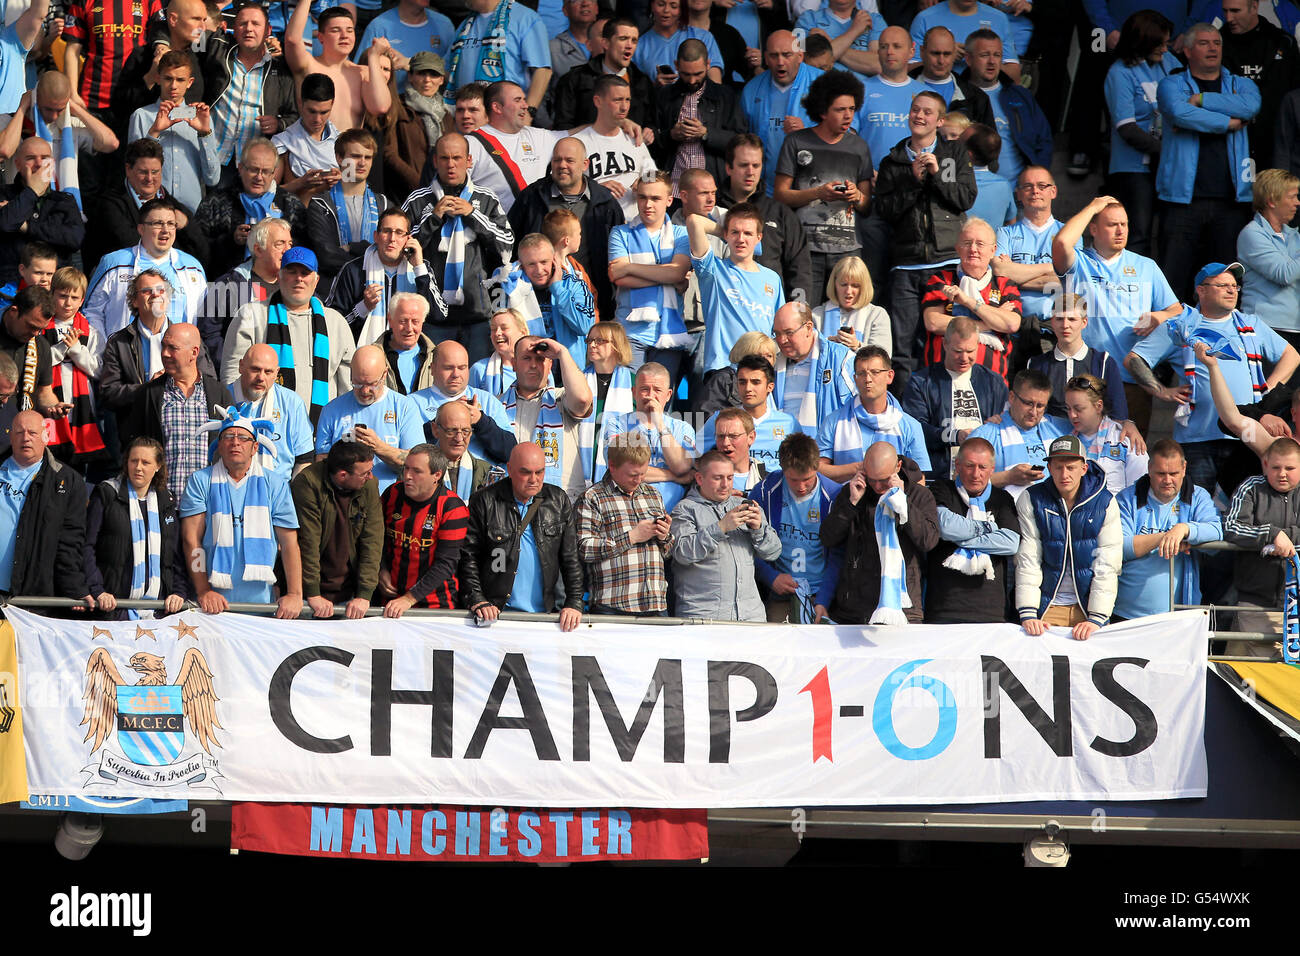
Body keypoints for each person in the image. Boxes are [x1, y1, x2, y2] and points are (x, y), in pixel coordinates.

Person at [1128, 261, 1298, 493]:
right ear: (1201, 290)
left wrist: (1268, 390)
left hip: (1246, 438)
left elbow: (1291, 355)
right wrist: (1161, 390)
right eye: (1223, 285)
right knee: (1198, 509)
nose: (1231, 290)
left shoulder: (1251, 324)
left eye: (1234, 286)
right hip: (1197, 439)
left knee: (1245, 509)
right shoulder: (1179, 327)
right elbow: (1135, 359)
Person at [1052, 194, 1182, 434]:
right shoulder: (1079, 263)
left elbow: (1177, 310)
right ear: (1093, 228)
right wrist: (1092, 206)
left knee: (1131, 457)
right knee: (1081, 454)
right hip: (1086, 379)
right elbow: (1061, 243)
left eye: (1124, 224)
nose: (1121, 230)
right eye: (1112, 224)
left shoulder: (1146, 266)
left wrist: (1158, 317)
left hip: (1133, 380)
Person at [875, 90, 977, 395]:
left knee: (942, 340)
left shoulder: (955, 153)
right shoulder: (892, 161)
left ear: (940, 120)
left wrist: (935, 176)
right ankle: (908, 410)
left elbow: (965, 198)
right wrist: (912, 181)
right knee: (902, 344)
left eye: (927, 112)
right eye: (915, 110)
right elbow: (884, 211)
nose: (919, 116)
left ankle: (942, 403)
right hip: (905, 264)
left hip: (945, 261)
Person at [1155, 22, 1260, 300]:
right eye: (1204, 43)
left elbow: (1250, 106)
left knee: (1225, 285)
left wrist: (1201, 99)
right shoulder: (1171, 83)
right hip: (1182, 201)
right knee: (1173, 280)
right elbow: (1179, 114)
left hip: (1231, 201)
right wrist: (1229, 122)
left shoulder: (1241, 84)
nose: (1213, 48)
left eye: (1217, 43)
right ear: (1187, 50)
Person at [181, 406, 303, 617]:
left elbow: (289, 543)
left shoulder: (275, 484)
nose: (235, 442)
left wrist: (294, 594)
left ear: (255, 447)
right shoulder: (200, 480)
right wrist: (203, 591)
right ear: (219, 445)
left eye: (243, 438)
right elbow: (192, 541)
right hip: (212, 607)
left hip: (262, 606)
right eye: (228, 436)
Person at [403, 132, 512, 357]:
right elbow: (402, 248)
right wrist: (433, 218)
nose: (451, 164)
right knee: (433, 381)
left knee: (476, 383)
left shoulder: (487, 199)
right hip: (432, 316)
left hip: (478, 315)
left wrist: (474, 215)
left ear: (469, 161)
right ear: (435, 161)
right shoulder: (417, 200)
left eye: (457, 158)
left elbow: (507, 245)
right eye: (444, 158)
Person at [221, 247, 355, 425]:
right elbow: (231, 377)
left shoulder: (336, 323)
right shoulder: (250, 315)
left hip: (320, 432)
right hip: (259, 429)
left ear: (316, 280)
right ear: (279, 276)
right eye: (291, 272)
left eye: (305, 273)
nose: (298, 278)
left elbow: (348, 388)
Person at [459, 441, 584, 629]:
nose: (533, 479)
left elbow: (571, 559)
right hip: (495, 615)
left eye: (540, 472)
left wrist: (574, 603)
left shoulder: (558, 499)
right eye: (525, 472)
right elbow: (468, 556)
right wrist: (477, 598)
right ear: (509, 469)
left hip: (547, 618)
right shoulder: (485, 500)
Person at [774, 69, 873, 300]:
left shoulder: (859, 147)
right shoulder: (796, 142)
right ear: (822, 111)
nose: (848, 116)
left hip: (848, 250)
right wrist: (817, 193)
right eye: (840, 110)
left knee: (844, 317)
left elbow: (868, 205)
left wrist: (856, 196)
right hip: (805, 249)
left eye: (851, 108)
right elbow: (780, 194)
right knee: (803, 313)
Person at [820, 440, 939, 624]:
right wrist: (851, 504)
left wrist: (904, 505)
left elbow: (928, 541)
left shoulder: (919, 495)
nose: (876, 486)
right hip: (854, 608)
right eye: (871, 478)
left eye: (883, 479)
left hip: (903, 609)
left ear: (898, 466)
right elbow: (828, 538)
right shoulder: (852, 492)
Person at [1016, 434, 1122, 640]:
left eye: (1071, 467)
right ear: (1049, 468)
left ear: (1083, 468)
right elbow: (1029, 557)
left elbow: (1108, 562)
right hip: (1045, 608)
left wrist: (1096, 617)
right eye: (1058, 467)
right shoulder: (1031, 498)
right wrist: (1028, 611)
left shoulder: (1105, 503)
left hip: (1087, 610)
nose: (1064, 474)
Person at [507, 137, 623, 321]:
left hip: (589, 302)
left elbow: (618, 255)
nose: (562, 165)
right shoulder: (531, 197)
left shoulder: (606, 203)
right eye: (557, 160)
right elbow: (509, 244)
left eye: (569, 160)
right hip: (537, 303)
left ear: (585, 164)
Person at [1114, 438, 1222, 622]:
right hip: (1124, 613)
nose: (1167, 480)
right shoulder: (1126, 498)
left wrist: (1184, 529)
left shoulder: (1198, 496)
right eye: (1160, 473)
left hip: (1178, 616)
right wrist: (1166, 537)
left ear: (1185, 468)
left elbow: (1217, 534)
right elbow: (1119, 547)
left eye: (1173, 473)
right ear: (1149, 468)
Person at [669, 449, 781, 621]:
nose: (725, 485)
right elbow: (682, 554)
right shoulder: (684, 509)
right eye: (717, 478)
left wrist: (758, 529)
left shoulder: (745, 505)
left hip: (750, 617)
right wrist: (720, 528)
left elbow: (773, 553)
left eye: (729, 478)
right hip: (704, 617)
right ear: (699, 479)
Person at [1103, 11, 1180, 256]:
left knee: (1172, 234)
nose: (1166, 49)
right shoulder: (1120, 72)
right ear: (1143, 41)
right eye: (1161, 43)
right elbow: (1126, 128)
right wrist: (1169, 151)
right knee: (1137, 237)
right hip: (1133, 169)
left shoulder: (1168, 63)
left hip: (1167, 166)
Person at [82, 196, 207, 347]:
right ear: (141, 229)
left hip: (175, 362)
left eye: (171, 224)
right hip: (124, 361)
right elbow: (92, 312)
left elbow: (204, 319)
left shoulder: (192, 267)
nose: (165, 230)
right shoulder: (113, 262)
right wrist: (104, 349)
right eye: (158, 224)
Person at [85, 436, 186, 618]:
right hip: (113, 609)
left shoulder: (167, 501)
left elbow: (176, 556)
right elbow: (86, 546)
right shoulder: (107, 493)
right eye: (134, 461)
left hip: (158, 613)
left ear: (158, 467)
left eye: (145, 462)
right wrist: (98, 589)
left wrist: (178, 592)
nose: (138, 467)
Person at [902, 316, 1010, 481]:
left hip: (985, 476)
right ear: (944, 344)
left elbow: (1009, 426)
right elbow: (915, 430)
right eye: (958, 351)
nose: (964, 358)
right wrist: (955, 436)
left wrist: (997, 425)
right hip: (939, 475)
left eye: (970, 351)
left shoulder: (994, 382)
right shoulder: (921, 382)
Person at [749, 432, 842, 623]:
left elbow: (838, 554)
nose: (801, 487)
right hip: (779, 593)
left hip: (821, 594)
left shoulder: (833, 496)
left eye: (807, 479)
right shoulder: (765, 491)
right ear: (782, 469)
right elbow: (749, 545)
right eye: (793, 479)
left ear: (817, 467)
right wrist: (771, 577)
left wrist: (824, 599)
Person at [0, 409, 91, 604]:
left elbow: (70, 540)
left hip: (31, 596)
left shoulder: (67, 481)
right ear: (10, 436)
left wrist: (73, 587)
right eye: (19, 432)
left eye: (32, 433)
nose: (25, 438)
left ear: (46, 436)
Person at [576, 434, 673, 616]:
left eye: (643, 474)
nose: (638, 480)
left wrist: (664, 536)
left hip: (655, 603)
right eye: (632, 475)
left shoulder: (653, 495)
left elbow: (667, 552)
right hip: (613, 606)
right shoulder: (592, 497)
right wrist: (631, 537)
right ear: (612, 466)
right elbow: (584, 549)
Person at [926, 435, 1019, 624]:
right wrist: (988, 527)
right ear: (957, 465)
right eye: (969, 466)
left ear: (992, 469)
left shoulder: (1003, 499)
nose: (976, 474)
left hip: (992, 612)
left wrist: (959, 537)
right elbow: (945, 527)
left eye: (983, 467)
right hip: (944, 609)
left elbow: (1011, 543)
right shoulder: (941, 489)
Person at [689, 202, 786, 379]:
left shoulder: (772, 279)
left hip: (760, 374)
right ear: (726, 234)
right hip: (723, 371)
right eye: (735, 232)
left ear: (759, 237)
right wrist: (724, 233)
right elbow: (694, 221)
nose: (740, 239)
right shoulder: (713, 271)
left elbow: (780, 329)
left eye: (748, 233)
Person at [1223, 436, 1300, 655]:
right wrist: (1270, 534)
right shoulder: (1251, 488)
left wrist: (1285, 539)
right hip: (1255, 600)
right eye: (1276, 467)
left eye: (1290, 468)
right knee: (1267, 667)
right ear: (1265, 465)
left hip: (1296, 603)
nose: (1282, 473)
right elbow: (1231, 526)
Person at [920, 217, 1022, 382]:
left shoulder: (1004, 284)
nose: (973, 249)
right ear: (957, 249)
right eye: (967, 243)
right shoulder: (942, 280)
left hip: (991, 382)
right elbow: (933, 322)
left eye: (980, 244)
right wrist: (991, 322)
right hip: (941, 380)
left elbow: (1011, 324)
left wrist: (968, 302)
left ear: (993, 250)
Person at [291, 439, 383, 620]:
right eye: (365, 473)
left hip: (350, 593)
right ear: (342, 475)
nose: (371, 477)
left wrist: (364, 595)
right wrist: (313, 593)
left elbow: (373, 539)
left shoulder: (369, 485)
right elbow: (309, 541)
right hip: (310, 593)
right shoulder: (308, 482)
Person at [326, 207, 445, 346]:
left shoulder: (421, 269)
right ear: (376, 236)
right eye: (387, 231)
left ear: (408, 238)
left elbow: (439, 315)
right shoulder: (353, 270)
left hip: (410, 357)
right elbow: (333, 325)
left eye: (399, 233)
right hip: (364, 358)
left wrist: (419, 268)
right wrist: (363, 307)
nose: (392, 239)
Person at [609, 172, 690, 375]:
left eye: (656, 198)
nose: (648, 204)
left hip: (669, 334)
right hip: (628, 332)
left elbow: (677, 273)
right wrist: (667, 276)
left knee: (659, 404)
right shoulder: (620, 232)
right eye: (643, 197)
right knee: (627, 401)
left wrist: (628, 267)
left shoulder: (681, 234)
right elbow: (617, 276)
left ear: (669, 200)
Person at [193, 137, 310, 279]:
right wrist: (231, 240)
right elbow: (197, 251)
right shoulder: (215, 202)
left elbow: (305, 251)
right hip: (231, 285)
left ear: (274, 173)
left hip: (280, 285)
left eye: (266, 171)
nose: (259, 177)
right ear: (241, 168)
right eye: (254, 170)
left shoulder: (291, 205)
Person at [202, 2, 300, 171]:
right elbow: (185, 30)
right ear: (235, 28)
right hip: (211, 156)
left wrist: (279, 124)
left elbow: (295, 115)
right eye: (242, 23)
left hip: (254, 167)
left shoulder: (281, 69)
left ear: (268, 30)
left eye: (255, 24)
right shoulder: (218, 50)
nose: (248, 28)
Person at [314, 344, 425, 492]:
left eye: (372, 384)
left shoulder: (404, 407)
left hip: (390, 500)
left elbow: (418, 463)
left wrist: (377, 446)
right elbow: (322, 462)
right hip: (343, 500)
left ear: (385, 374)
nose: (365, 391)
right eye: (357, 383)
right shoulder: (331, 410)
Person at [378, 443, 469, 617]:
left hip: (435, 608)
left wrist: (408, 599)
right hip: (389, 603)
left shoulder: (452, 507)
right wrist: (380, 570)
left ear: (437, 475)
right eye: (406, 469)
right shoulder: (392, 494)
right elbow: (376, 540)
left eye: (417, 471)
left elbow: (446, 564)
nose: (407, 476)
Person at [127, 50, 220, 219]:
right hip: (151, 213)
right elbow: (132, 174)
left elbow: (212, 179)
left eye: (180, 79)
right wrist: (154, 132)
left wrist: (204, 133)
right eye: (168, 78)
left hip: (192, 214)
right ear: (158, 78)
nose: (174, 86)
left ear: (190, 82)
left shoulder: (201, 118)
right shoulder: (141, 116)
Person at [502, 334, 594, 500]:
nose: (533, 365)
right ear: (514, 364)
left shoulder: (561, 398)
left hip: (560, 503)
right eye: (526, 358)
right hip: (508, 502)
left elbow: (582, 399)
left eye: (540, 359)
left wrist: (562, 353)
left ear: (550, 364)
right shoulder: (496, 404)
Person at [819, 345, 931, 482]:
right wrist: (859, 468)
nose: (868, 379)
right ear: (854, 378)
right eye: (861, 373)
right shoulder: (833, 421)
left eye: (875, 372)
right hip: (845, 501)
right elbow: (818, 469)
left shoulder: (910, 426)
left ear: (890, 376)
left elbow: (919, 480)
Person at [651, 39, 747, 192]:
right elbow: (650, 143)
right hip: (674, 188)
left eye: (698, 74)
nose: (692, 80)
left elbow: (741, 142)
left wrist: (706, 133)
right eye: (685, 74)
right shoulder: (664, 95)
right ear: (676, 65)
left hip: (714, 189)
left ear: (708, 64)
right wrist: (671, 135)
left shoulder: (725, 96)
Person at [284, 1, 392, 132]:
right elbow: (292, 39)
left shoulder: (363, 73)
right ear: (320, 37)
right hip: (311, 149)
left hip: (348, 150)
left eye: (349, 30)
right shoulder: (308, 65)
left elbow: (380, 107)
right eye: (336, 30)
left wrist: (374, 56)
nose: (344, 36)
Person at [197, 217, 291, 362]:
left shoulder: (297, 284)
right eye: (280, 244)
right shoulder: (229, 284)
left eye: (290, 244)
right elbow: (208, 333)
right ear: (258, 250)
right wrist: (232, 364)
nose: (287, 250)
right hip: (240, 376)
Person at [740, 31, 823, 197]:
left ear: (800, 56)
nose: (780, 62)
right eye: (773, 56)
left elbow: (844, 133)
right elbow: (743, 139)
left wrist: (807, 132)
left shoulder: (823, 84)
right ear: (765, 57)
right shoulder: (751, 90)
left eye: (786, 55)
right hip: (766, 190)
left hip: (813, 189)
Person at [305, 129, 392, 285]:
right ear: (339, 158)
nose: (362, 163)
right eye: (355, 156)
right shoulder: (320, 204)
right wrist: (371, 255)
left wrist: (352, 247)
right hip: (334, 290)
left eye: (368, 157)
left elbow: (392, 253)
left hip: (377, 289)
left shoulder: (384, 204)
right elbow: (327, 257)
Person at [1220, 0, 1299, 170]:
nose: (1228, 18)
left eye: (1235, 11)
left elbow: (1295, 97)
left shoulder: (1283, 42)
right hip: (1228, 142)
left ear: (1254, 7)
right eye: (1225, 11)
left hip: (1275, 144)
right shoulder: (1216, 44)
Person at [409, 339, 517, 464]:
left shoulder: (487, 401)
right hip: (435, 478)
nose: (456, 374)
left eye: (462, 368)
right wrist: (447, 418)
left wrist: (481, 421)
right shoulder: (412, 403)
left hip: (482, 479)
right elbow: (410, 450)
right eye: (448, 368)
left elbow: (511, 452)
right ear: (432, 369)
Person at [969, 367, 1069, 499]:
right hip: (1006, 514)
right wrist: (1007, 477)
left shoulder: (1060, 428)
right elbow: (961, 481)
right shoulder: (985, 435)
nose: (1033, 412)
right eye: (1028, 403)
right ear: (1011, 397)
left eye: (1040, 406)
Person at [0, 137, 87, 287]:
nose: (39, 164)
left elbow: (74, 239)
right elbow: (6, 223)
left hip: (55, 290)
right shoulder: (3, 194)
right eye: (31, 158)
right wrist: (32, 191)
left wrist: (27, 227)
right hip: (9, 288)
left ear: (52, 164)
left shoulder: (64, 201)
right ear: (18, 164)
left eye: (45, 158)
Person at [1028, 292, 1129, 420]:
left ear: (1084, 322)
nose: (1065, 325)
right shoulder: (1037, 364)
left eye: (1072, 319)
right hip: (1049, 435)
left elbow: (1118, 413)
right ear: (1052, 322)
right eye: (1059, 319)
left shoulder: (1103, 363)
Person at [228, 343, 315, 484]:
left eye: (268, 372)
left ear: (276, 372)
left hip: (277, 493)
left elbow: (304, 459)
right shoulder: (222, 397)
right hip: (228, 491)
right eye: (255, 369)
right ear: (241, 366)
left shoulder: (291, 403)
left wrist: (287, 496)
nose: (261, 377)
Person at [992, 167, 1069, 326]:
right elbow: (999, 273)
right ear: (1018, 194)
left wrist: (1014, 275)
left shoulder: (1068, 233)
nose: (1035, 191)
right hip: (1013, 324)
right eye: (1028, 186)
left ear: (1053, 191)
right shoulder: (1004, 233)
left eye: (1042, 186)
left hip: (1054, 326)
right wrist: (1051, 267)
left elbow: (1069, 280)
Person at [698, 355, 800, 473]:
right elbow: (695, 458)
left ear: (770, 387)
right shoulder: (720, 418)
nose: (748, 388)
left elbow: (800, 464)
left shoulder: (789, 423)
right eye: (742, 382)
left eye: (755, 382)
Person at [443, 0, 552, 111]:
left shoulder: (526, 18)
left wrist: (529, 112)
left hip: (508, 117)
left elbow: (542, 71)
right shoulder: (465, 25)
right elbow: (448, 70)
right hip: (468, 118)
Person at [552, 17, 657, 131]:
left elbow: (651, 123)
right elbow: (562, 127)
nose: (629, 45)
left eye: (634, 40)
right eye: (623, 39)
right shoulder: (574, 79)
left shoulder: (643, 81)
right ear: (606, 43)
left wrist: (650, 131)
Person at [1237, 168, 1300, 352]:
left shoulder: (1294, 236)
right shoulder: (1252, 234)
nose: (1297, 203)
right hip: (1266, 328)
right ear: (1272, 200)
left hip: (1295, 327)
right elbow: (1284, 274)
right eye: (1292, 197)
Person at [770, 301, 855, 436]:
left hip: (824, 452)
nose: (782, 340)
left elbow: (857, 411)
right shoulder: (771, 363)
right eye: (777, 334)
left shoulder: (840, 358)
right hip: (780, 449)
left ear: (809, 328)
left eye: (788, 333)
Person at [515, 231, 597, 363]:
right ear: (521, 265)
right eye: (531, 264)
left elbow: (584, 327)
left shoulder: (575, 285)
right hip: (530, 369)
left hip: (567, 371)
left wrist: (558, 289)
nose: (539, 270)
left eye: (543, 262)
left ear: (554, 260)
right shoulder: (513, 290)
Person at [1065, 373, 1148, 494]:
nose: (1072, 415)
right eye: (1068, 408)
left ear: (1098, 406)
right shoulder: (1064, 438)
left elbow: (1140, 488)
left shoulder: (1125, 438)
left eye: (1079, 409)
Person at [0, 286, 73, 418]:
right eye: (31, 326)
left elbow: (44, 393)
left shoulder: (41, 345)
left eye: (40, 329)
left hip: (21, 431)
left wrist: (53, 407)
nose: (35, 334)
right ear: (13, 311)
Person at [579, 320, 635, 485]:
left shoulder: (634, 382)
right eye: (589, 341)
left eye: (600, 340)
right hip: (579, 466)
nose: (592, 345)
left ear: (617, 345)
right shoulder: (577, 380)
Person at [909, 0, 1026, 79]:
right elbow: (906, 72)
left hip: (985, 101)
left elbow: (1014, 77)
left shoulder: (999, 19)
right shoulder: (925, 18)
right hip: (936, 99)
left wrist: (983, 57)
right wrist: (945, 55)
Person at [911, 27, 994, 128]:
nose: (941, 61)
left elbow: (987, 141)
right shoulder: (902, 90)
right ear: (922, 52)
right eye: (935, 53)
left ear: (954, 53)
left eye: (947, 54)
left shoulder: (977, 98)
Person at [430, 399, 505, 501]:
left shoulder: (486, 473)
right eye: (451, 431)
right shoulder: (420, 470)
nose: (459, 438)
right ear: (435, 430)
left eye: (465, 431)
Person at [813, 255, 891, 353]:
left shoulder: (877, 315)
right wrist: (826, 345)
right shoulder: (817, 315)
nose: (848, 291)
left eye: (855, 286)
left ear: (864, 287)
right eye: (843, 284)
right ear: (834, 285)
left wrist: (857, 346)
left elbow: (883, 357)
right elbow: (803, 355)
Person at [377, 293, 437, 396]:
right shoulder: (374, 356)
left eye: (415, 321)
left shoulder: (436, 356)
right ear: (390, 320)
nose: (409, 328)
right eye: (403, 321)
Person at [470, 308, 529, 398]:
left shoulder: (538, 366)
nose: (497, 333)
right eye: (493, 329)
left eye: (504, 328)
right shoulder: (479, 369)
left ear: (522, 333)